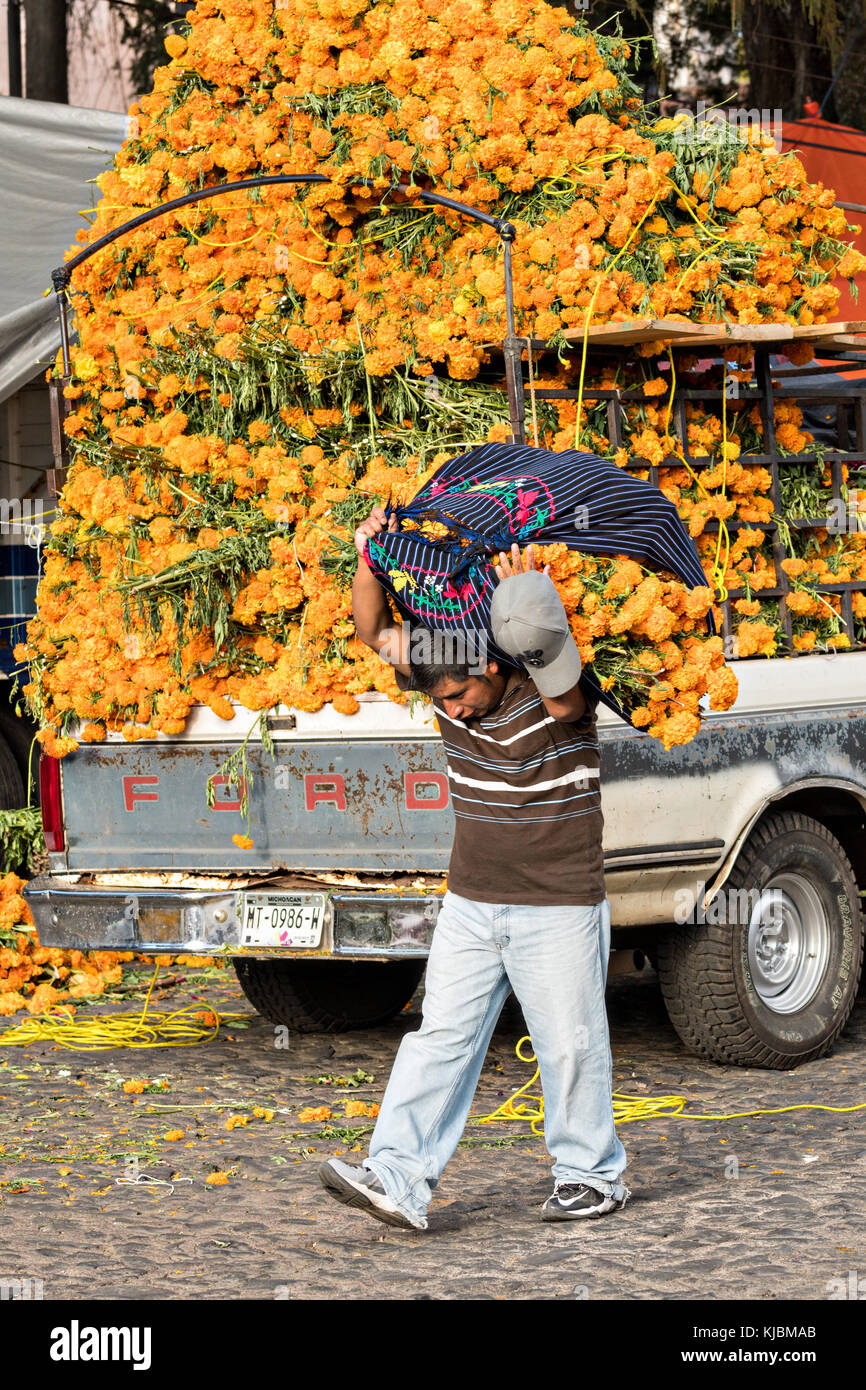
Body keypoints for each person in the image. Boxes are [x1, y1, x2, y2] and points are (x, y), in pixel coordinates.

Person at [319, 504, 629, 1230]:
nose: (452, 712)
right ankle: (397, 1175)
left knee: (569, 1043)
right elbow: (372, 630)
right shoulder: (439, 663)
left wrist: (529, 608)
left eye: (460, 696)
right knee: (440, 1037)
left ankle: (592, 1175)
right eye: (440, 703)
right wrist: (369, 555)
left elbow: (558, 677)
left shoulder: (561, 703)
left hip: (557, 903)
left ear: (493, 664)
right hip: (471, 901)